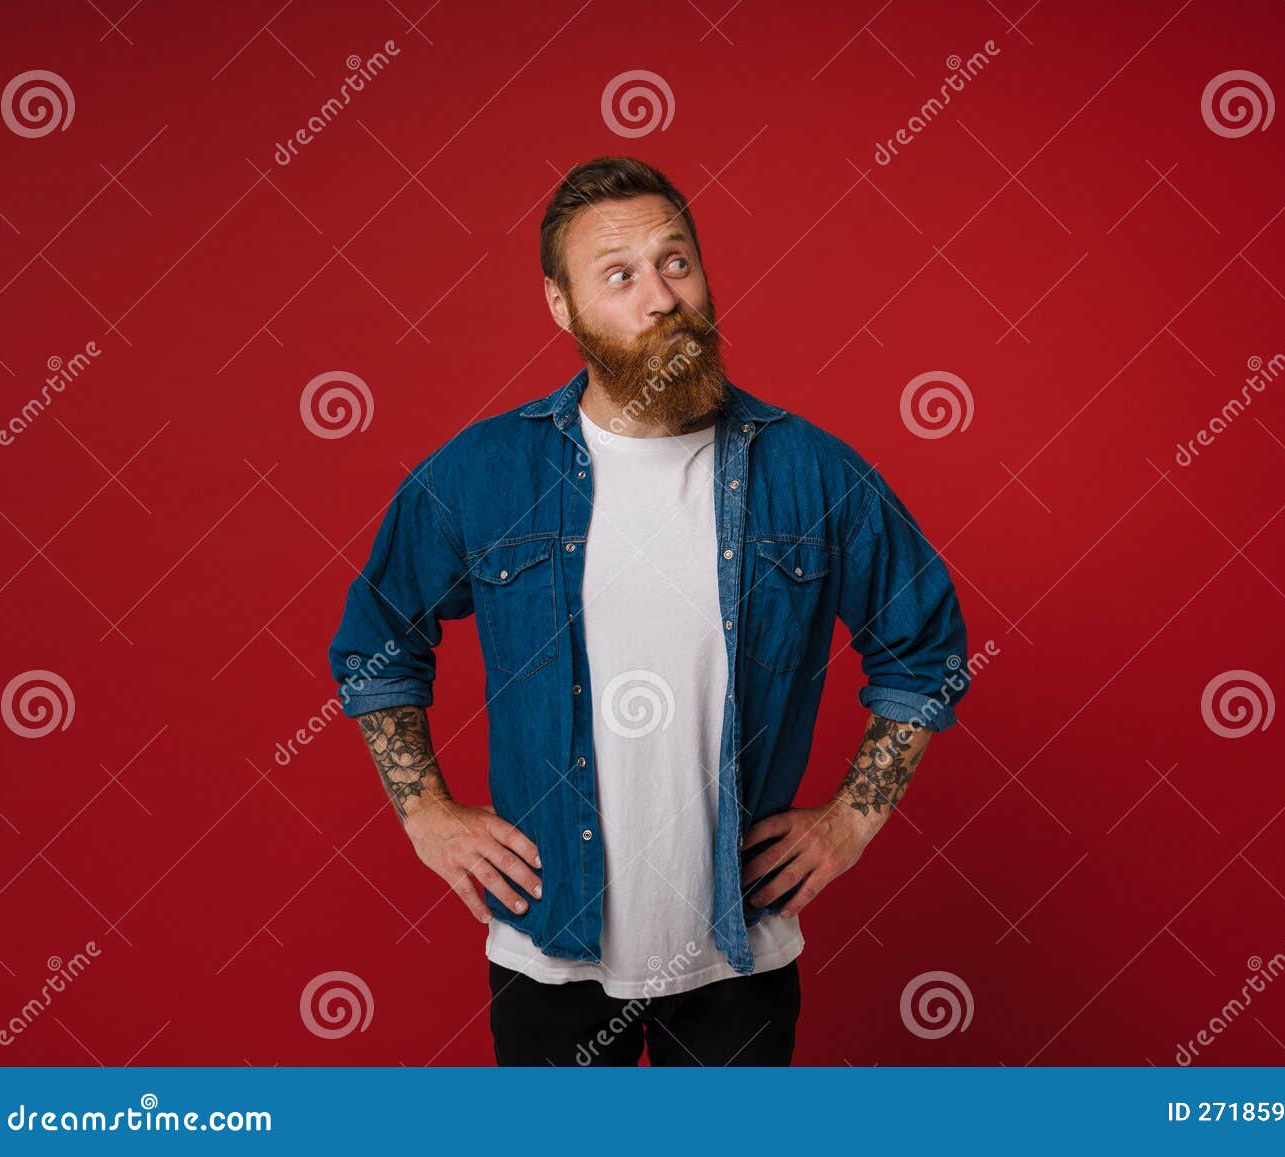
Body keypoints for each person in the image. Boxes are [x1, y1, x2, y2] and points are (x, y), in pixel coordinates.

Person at [327, 155, 972, 1066]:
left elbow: (927, 649)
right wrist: (425, 810)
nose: (662, 296)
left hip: (738, 961)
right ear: (562, 305)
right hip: (549, 954)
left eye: (677, 261)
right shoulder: (482, 475)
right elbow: (376, 644)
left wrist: (852, 819)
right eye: (620, 274)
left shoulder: (813, 474)